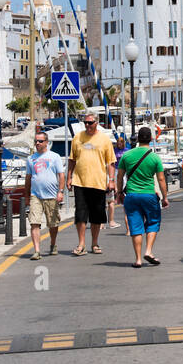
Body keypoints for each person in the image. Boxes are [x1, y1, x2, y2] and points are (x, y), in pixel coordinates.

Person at [115, 127, 168, 267]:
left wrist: (119, 193)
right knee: (153, 222)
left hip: (131, 195)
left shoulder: (127, 155)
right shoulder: (154, 157)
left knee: (135, 226)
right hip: (149, 195)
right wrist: (164, 197)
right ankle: (148, 251)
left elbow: (119, 176)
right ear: (151, 139)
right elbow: (161, 179)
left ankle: (138, 259)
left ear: (138, 139)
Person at [69, 109, 115, 255]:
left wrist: (111, 180)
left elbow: (111, 163)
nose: (87, 125)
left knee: (97, 215)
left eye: (90, 123)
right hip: (80, 181)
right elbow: (72, 160)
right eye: (85, 123)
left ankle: (95, 243)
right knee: (80, 214)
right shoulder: (77, 138)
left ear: (96, 123)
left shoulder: (104, 139)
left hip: (98, 182)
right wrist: (69, 177)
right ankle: (81, 244)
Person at [24, 130, 66, 259]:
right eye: (36, 141)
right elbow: (28, 178)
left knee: (53, 224)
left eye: (40, 141)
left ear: (46, 142)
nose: (37, 143)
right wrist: (27, 195)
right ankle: (36, 250)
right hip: (35, 195)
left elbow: (61, 175)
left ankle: (53, 244)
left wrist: (60, 191)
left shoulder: (54, 157)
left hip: (51, 194)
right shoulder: (31, 159)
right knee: (34, 222)